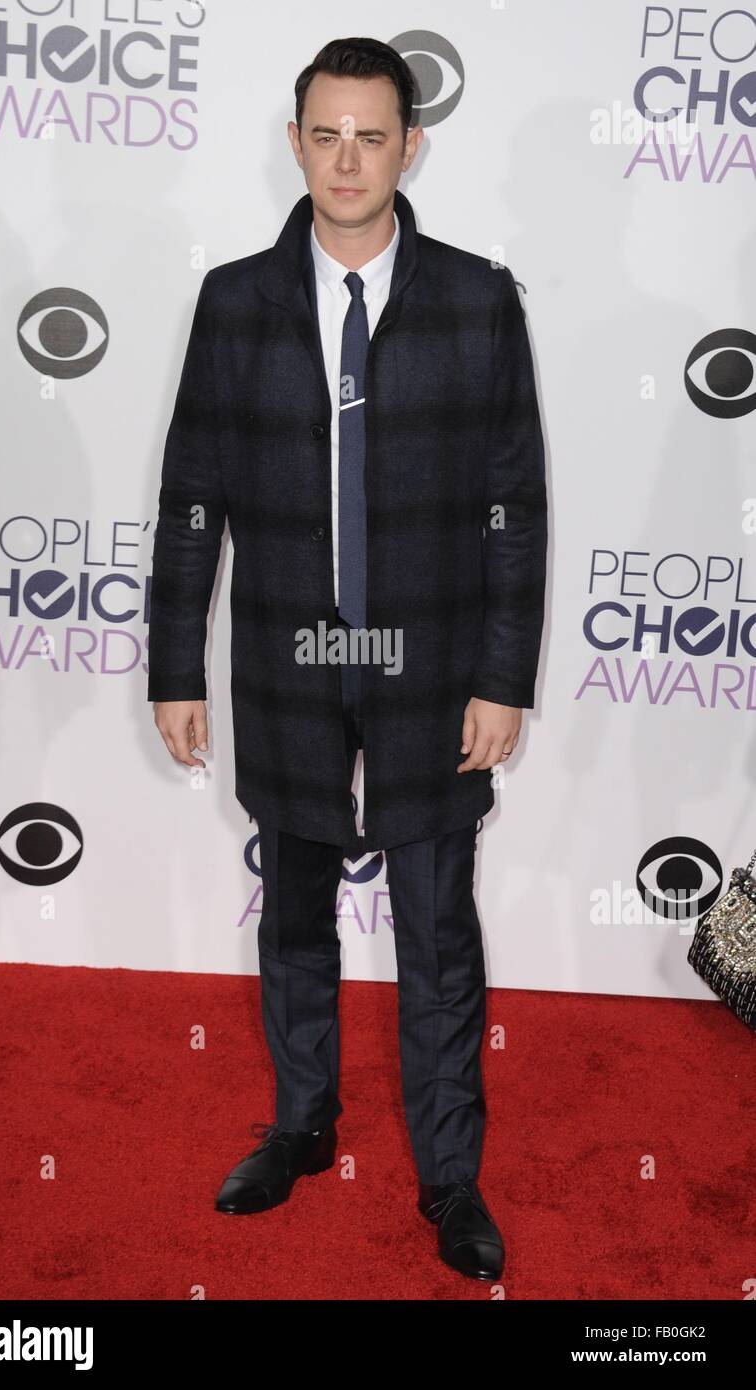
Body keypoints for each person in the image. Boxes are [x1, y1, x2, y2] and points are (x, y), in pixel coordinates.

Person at [147, 36, 547, 1282]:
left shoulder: (478, 299)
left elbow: (514, 505)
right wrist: (175, 663)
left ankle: (449, 1176)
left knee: (437, 931)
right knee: (294, 913)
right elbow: (192, 495)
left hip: (432, 663)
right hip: (287, 654)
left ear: (411, 147)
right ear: (295, 142)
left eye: (371, 136)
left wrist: (503, 676)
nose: (347, 160)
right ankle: (301, 1124)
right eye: (325, 134)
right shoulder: (233, 300)